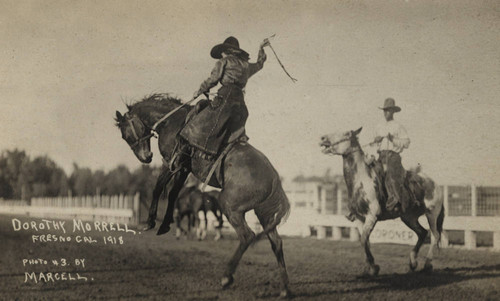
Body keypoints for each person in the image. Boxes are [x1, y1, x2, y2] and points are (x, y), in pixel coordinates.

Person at [171, 36, 269, 169]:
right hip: (240, 104)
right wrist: (261, 48)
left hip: (225, 99)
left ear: (227, 51)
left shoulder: (224, 61)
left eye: (222, 52)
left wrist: (200, 91)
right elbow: (259, 64)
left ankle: (184, 155)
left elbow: (213, 79)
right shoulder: (246, 66)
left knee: (196, 123)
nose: (221, 55)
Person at [373, 98, 412, 212]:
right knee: (370, 172)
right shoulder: (379, 126)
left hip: (393, 156)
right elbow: (374, 144)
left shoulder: (398, 126)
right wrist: (376, 140)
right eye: (384, 110)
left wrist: (393, 139)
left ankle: (395, 198)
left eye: (388, 110)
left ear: (393, 112)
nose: (385, 113)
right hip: (381, 155)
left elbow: (406, 143)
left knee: (390, 171)